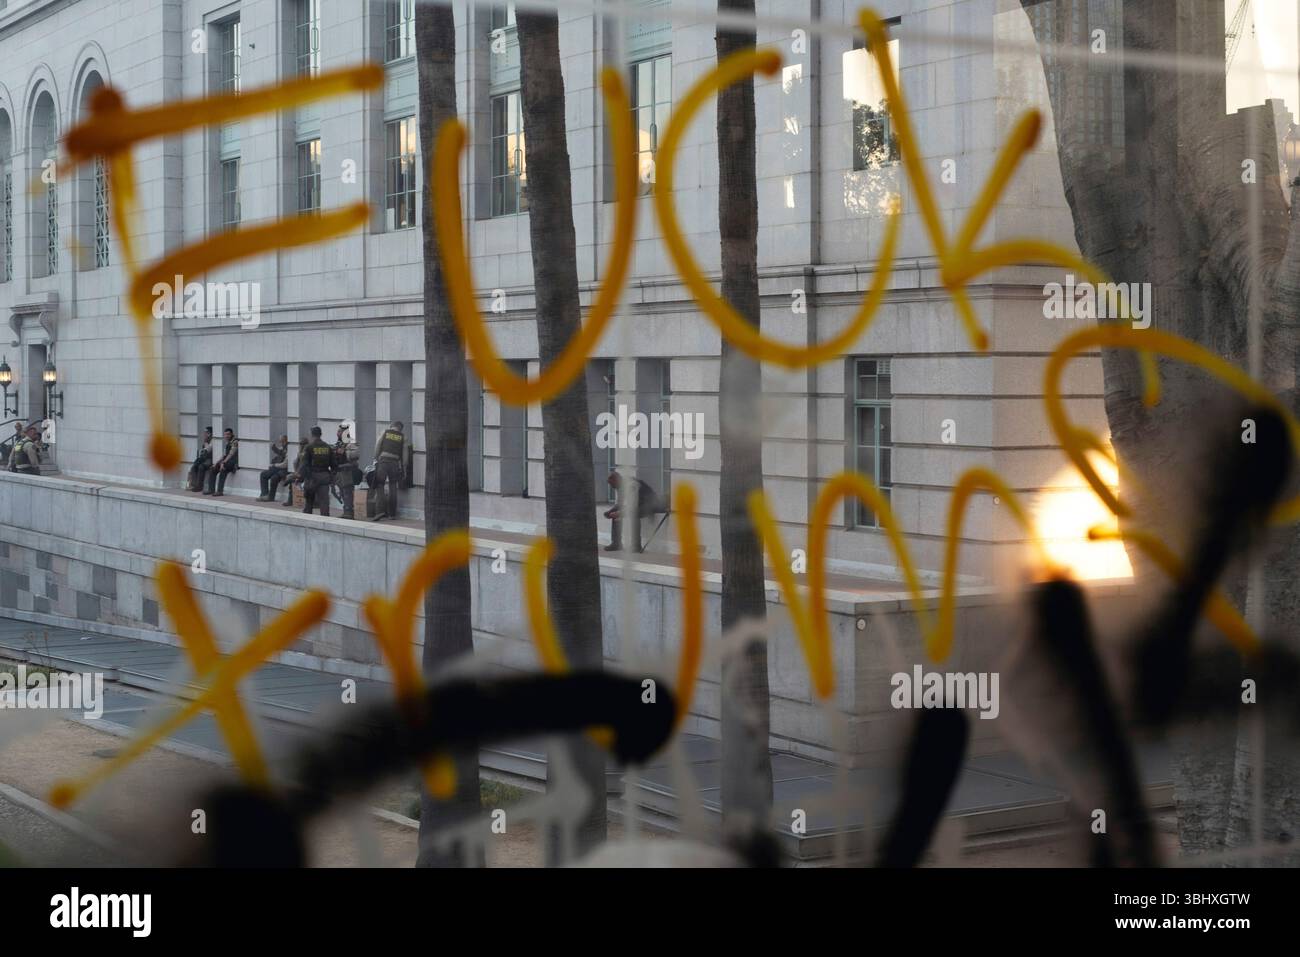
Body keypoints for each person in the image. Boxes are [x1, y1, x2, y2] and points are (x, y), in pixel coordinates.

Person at [604, 471, 660, 552]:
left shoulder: (631, 485)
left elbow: (632, 506)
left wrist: (619, 513)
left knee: (634, 514)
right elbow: (619, 504)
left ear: (617, 481)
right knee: (615, 515)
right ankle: (616, 543)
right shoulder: (619, 486)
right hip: (638, 504)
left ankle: (636, 545)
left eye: (612, 484)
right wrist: (610, 512)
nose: (612, 487)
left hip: (650, 504)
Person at [371, 421, 406, 521]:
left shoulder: (385, 432)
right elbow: (405, 454)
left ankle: (379, 512)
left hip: (383, 461)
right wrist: (404, 466)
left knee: (380, 485)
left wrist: (375, 458)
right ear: (400, 428)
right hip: (395, 463)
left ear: (392, 426)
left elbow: (378, 445)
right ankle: (392, 514)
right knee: (393, 487)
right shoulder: (403, 437)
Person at [301, 426, 335, 516]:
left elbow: (304, 465)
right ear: (320, 434)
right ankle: (325, 522)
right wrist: (331, 477)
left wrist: (304, 478)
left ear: (312, 434)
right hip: (324, 476)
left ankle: (307, 521)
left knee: (309, 502)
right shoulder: (327, 447)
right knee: (324, 502)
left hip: (312, 477)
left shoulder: (309, 447)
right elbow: (334, 465)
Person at [332, 423, 360, 519]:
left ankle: (349, 512)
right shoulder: (339, 443)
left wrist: (344, 452)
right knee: (342, 492)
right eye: (338, 431)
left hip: (348, 470)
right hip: (339, 471)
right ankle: (346, 511)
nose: (337, 433)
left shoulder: (351, 442)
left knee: (347, 492)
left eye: (339, 431)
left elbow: (356, 454)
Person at [205, 428, 239, 496]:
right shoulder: (227, 442)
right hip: (227, 461)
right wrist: (217, 463)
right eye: (225, 434)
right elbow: (224, 455)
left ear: (232, 434)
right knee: (213, 469)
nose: (226, 436)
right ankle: (211, 489)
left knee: (223, 470)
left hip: (233, 462)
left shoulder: (235, 442)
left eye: (228, 434)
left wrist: (223, 463)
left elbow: (231, 454)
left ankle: (220, 491)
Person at [258, 435, 290, 501]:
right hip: (278, 468)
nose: (281, 443)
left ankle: (270, 497)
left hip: (284, 470)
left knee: (272, 477)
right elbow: (279, 452)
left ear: (286, 441)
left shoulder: (289, 449)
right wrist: (274, 448)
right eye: (280, 442)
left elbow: (285, 465)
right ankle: (264, 494)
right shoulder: (283, 448)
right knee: (264, 474)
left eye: (282, 442)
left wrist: (275, 465)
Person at [282, 436, 310, 507]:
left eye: (302, 444)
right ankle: (290, 500)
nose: (301, 445)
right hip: (300, 473)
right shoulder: (300, 453)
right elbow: (295, 463)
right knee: (292, 480)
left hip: (307, 474)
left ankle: (287, 481)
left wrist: (297, 473)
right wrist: (296, 472)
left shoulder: (307, 452)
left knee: (290, 478)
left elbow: (304, 465)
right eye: (300, 444)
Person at [188, 426, 214, 491]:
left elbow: (208, 450)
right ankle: (193, 485)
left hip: (211, 459)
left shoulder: (213, 441)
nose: (204, 434)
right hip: (204, 459)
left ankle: (199, 486)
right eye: (204, 432)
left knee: (201, 467)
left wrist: (205, 442)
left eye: (206, 433)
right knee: (194, 467)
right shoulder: (206, 440)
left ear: (210, 433)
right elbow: (202, 452)